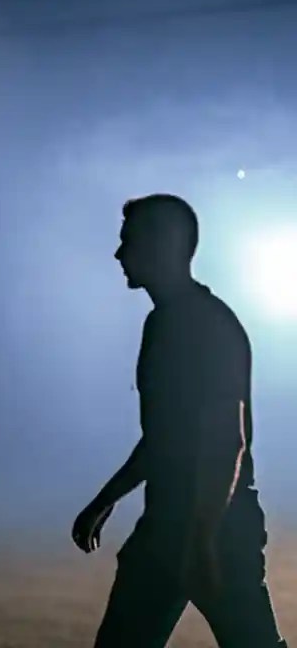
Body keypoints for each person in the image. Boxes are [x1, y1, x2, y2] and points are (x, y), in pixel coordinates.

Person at [72, 194, 286, 648]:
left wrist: (204, 538)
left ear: (162, 246)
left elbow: (228, 439)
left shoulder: (206, 326)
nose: (118, 255)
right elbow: (163, 439)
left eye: (127, 242)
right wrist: (105, 500)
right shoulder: (166, 323)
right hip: (173, 524)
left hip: (214, 527)